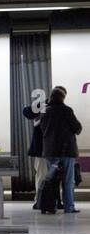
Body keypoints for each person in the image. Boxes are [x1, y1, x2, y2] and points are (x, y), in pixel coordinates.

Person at [38, 86, 82, 215]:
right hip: (66, 151)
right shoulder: (67, 110)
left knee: (51, 180)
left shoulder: (45, 111)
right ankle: (69, 207)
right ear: (62, 98)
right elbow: (78, 128)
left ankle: (51, 206)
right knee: (68, 181)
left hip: (50, 152)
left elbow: (42, 129)